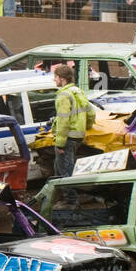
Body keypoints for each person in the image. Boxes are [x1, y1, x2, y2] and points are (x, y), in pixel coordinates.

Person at [50, 64, 93, 201]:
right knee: (60, 168)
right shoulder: (78, 91)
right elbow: (91, 113)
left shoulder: (63, 95)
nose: (54, 80)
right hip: (77, 137)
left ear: (62, 79)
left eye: (55, 77)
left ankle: (71, 201)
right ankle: (60, 197)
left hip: (67, 138)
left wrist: (60, 144)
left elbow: (63, 121)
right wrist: (85, 127)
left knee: (65, 170)